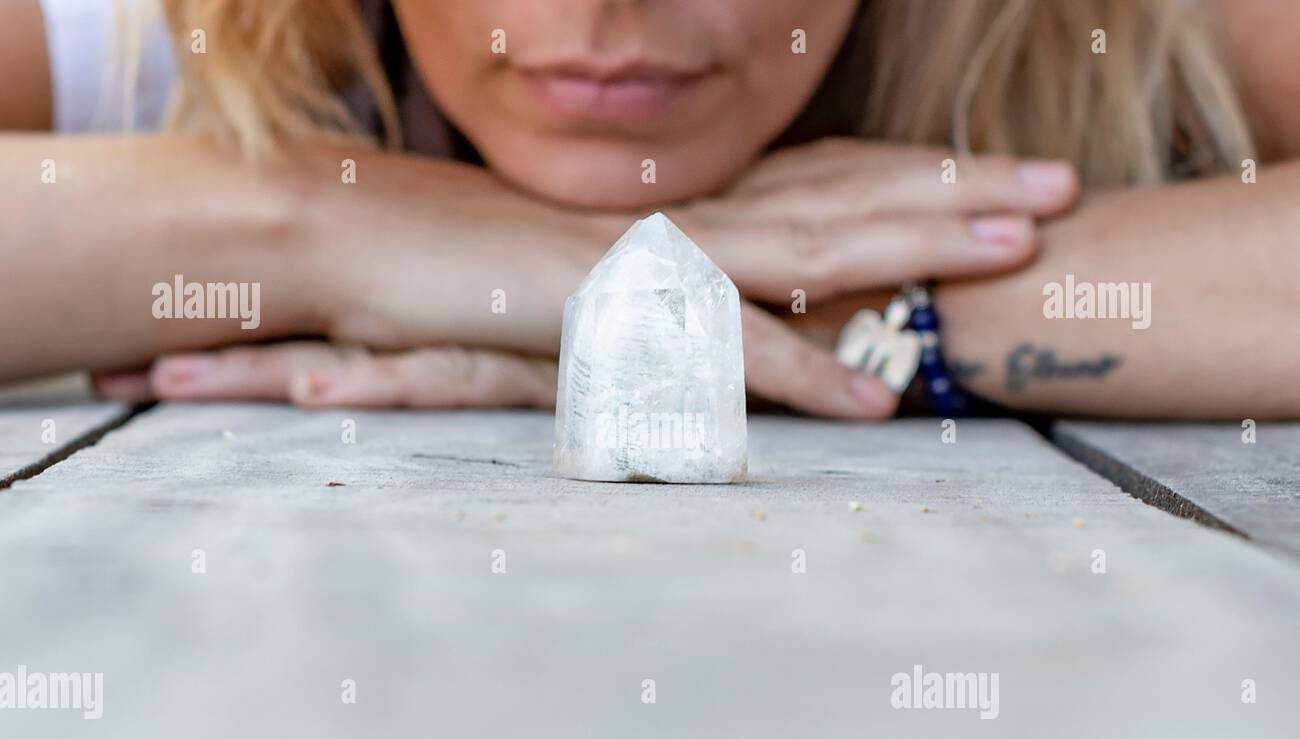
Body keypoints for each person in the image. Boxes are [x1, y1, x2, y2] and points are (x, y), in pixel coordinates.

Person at [1, 0, 1296, 419]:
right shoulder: (200, 30)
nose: (614, 4)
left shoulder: (1105, 27)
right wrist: (329, 224)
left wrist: (839, 306)